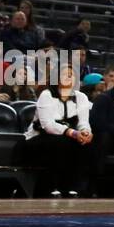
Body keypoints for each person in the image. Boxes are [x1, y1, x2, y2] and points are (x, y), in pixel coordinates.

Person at [25, 64, 93, 197]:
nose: (68, 77)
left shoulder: (81, 97)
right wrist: (72, 132)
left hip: (67, 138)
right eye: (64, 74)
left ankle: (76, 188)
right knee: (61, 143)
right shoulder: (47, 95)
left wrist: (85, 132)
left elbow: (83, 122)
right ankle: (52, 186)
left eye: (71, 74)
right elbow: (48, 125)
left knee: (85, 144)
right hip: (38, 137)